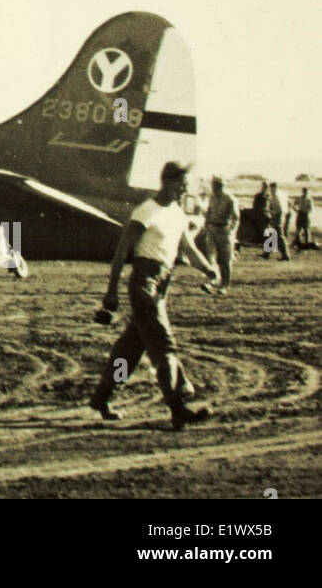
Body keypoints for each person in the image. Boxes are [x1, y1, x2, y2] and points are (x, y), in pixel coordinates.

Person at [89, 162, 219, 430]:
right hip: (144, 284)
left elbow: (187, 249)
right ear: (167, 182)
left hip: (161, 285)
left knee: (130, 350)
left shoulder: (177, 213)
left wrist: (209, 269)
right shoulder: (146, 211)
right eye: (182, 184)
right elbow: (121, 252)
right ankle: (178, 406)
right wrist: (111, 291)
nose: (185, 189)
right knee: (164, 346)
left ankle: (103, 397)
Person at [200, 176, 240, 295]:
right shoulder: (211, 197)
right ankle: (211, 281)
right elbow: (209, 211)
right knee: (211, 256)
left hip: (224, 230)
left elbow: (236, 218)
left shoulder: (230, 199)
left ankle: (224, 285)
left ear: (221, 186)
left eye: (216, 185)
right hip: (212, 229)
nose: (214, 187)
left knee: (225, 260)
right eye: (213, 185)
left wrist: (231, 231)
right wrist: (206, 224)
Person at [266, 182, 292, 261]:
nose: (270, 190)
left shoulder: (276, 196)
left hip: (278, 217)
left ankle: (286, 255)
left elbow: (279, 209)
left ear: (273, 188)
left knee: (279, 236)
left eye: (271, 188)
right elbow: (290, 203)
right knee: (274, 235)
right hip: (282, 216)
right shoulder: (282, 194)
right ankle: (266, 253)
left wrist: (273, 215)